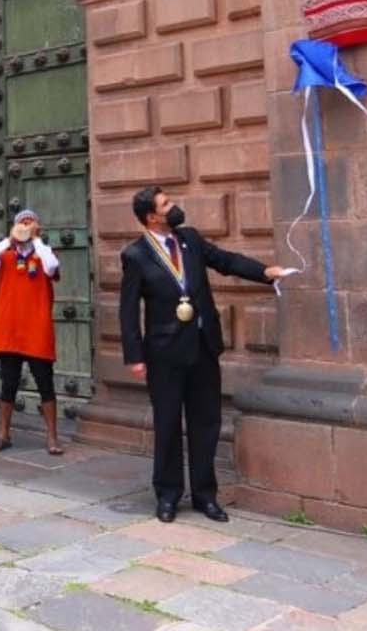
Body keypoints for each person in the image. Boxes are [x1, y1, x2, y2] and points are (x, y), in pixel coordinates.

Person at [120, 186, 285, 523]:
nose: (174, 206)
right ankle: (167, 495)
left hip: (203, 347)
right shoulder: (136, 255)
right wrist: (134, 356)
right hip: (164, 353)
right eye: (166, 204)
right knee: (167, 425)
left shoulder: (190, 239)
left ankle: (205, 496)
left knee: (205, 423)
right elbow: (127, 309)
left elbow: (225, 261)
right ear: (152, 216)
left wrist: (265, 272)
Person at [0, 209, 64, 455]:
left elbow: (51, 268)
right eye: (21, 222)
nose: (26, 226)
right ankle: (3, 433)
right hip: (11, 330)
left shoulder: (44, 254)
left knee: (45, 383)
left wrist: (36, 239)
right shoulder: (5, 256)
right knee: (8, 383)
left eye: (30, 222)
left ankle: (52, 436)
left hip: (37, 329)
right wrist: (11, 239)